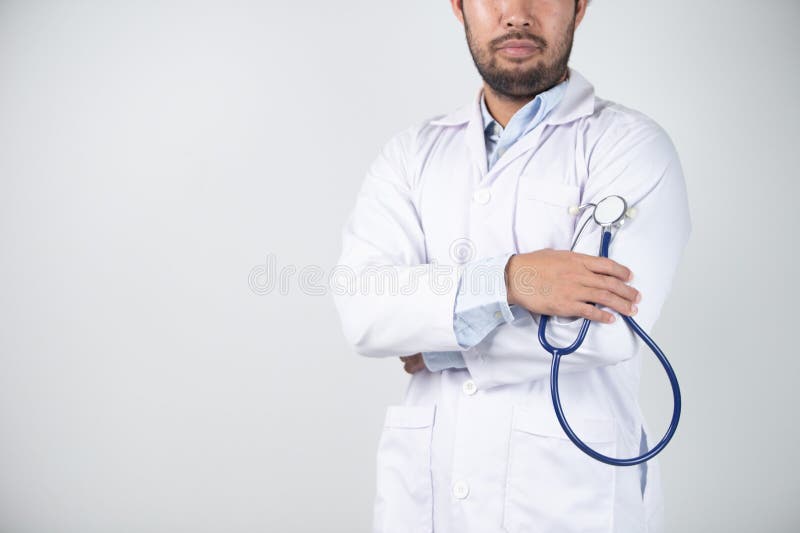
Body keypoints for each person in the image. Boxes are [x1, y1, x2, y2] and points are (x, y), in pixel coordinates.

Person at [332, 0, 691, 531]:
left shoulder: (630, 147)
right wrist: (512, 279)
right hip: (428, 494)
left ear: (579, 8)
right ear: (459, 8)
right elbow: (364, 309)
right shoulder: (410, 156)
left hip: (568, 497)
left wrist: (436, 347)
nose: (517, 13)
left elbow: (604, 332)